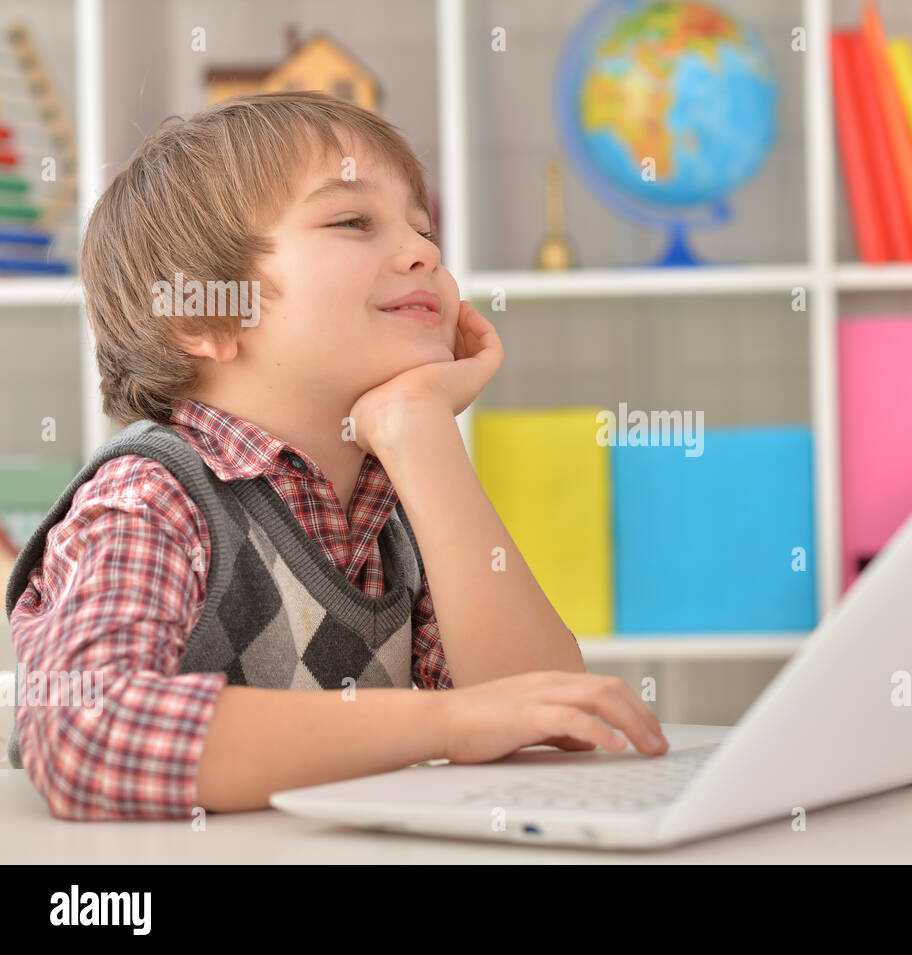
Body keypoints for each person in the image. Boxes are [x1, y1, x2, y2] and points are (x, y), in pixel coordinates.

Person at [5, 91, 667, 821]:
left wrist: (422, 432)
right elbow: (85, 731)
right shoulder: (149, 496)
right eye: (354, 221)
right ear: (202, 310)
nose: (427, 252)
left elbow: (543, 716)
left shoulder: (396, 499)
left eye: (422, 228)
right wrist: (449, 721)